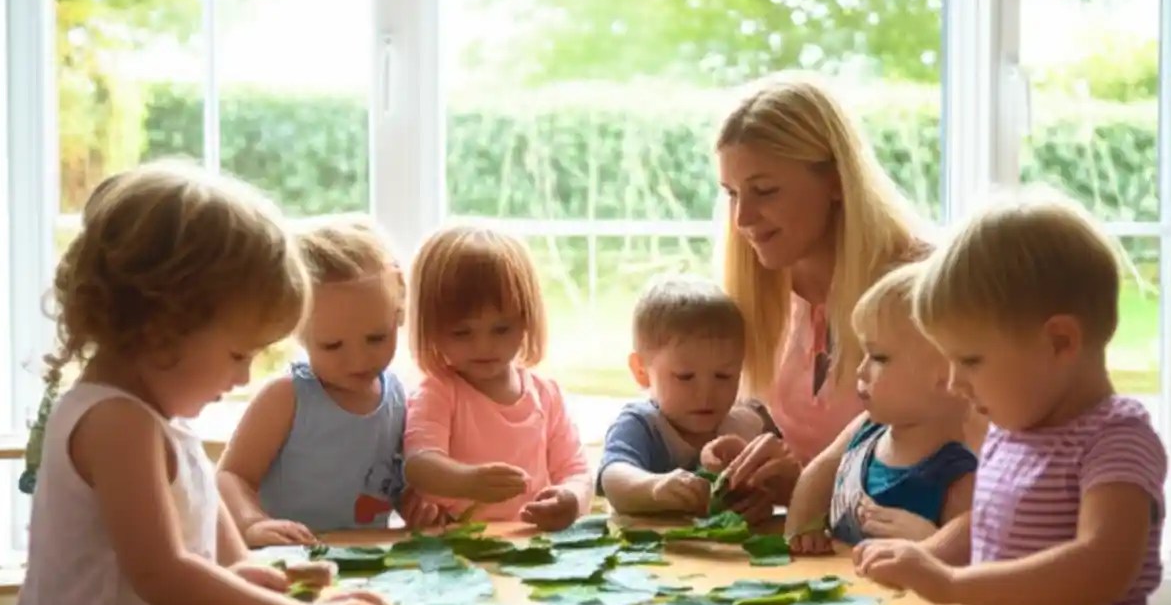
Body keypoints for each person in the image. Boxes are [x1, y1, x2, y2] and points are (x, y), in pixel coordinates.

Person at [0, 162, 388, 605]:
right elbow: (164, 574)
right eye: (237, 354)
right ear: (164, 327)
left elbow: (213, 548)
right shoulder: (116, 425)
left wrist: (265, 582)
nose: (244, 375)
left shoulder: (155, 419)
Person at [854, 189, 1167, 605]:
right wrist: (925, 558)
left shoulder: (1117, 437)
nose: (955, 383)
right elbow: (990, 521)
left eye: (971, 360)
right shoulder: (1011, 427)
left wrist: (952, 584)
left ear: (1060, 342)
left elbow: (1102, 565)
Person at [712, 71, 946, 503]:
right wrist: (736, 450)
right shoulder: (760, 290)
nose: (742, 219)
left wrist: (805, 488)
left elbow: (956, 461)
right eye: (731, 194)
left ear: (836, 182)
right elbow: (765, 420)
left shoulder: (925, 288)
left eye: (764, 191)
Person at [218, 218, 439, 547]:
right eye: (333, 346)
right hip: (289, 558)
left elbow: (390, 484)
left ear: (399, 311)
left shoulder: (399, 397)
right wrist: (253, 524)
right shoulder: (287, 397)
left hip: (367, 559)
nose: (358, 360)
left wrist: (415, 505)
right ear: (297, 328)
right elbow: (230, 476)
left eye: (376, 338)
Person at [401, 224, 592, 530]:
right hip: (459, 545)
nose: (484, 346)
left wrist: (571, 499)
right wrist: (467, 482)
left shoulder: (546, 394)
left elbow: (577, 470)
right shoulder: (439, 392)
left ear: (527, 319)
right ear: (431, 329)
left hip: (531, 542)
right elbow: (419, 465)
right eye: (462, 333)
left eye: (502, 329)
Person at [784, 263, 976, 554]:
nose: (860, 371)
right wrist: (801, 528)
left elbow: (971, 566)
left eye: (879, 357)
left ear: (947, 374)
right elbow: (818, 474)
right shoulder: (864, 429)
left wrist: (931, 542)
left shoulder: (960, 477)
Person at [597, 275, 772, 518]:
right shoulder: (642, 425)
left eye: (724, 376)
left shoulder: (749, 424)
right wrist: (654, 488)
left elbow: (783, 479)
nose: (706, 394)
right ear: (641, 371)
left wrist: (765, 496)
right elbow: (613, 478)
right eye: (685, 377)